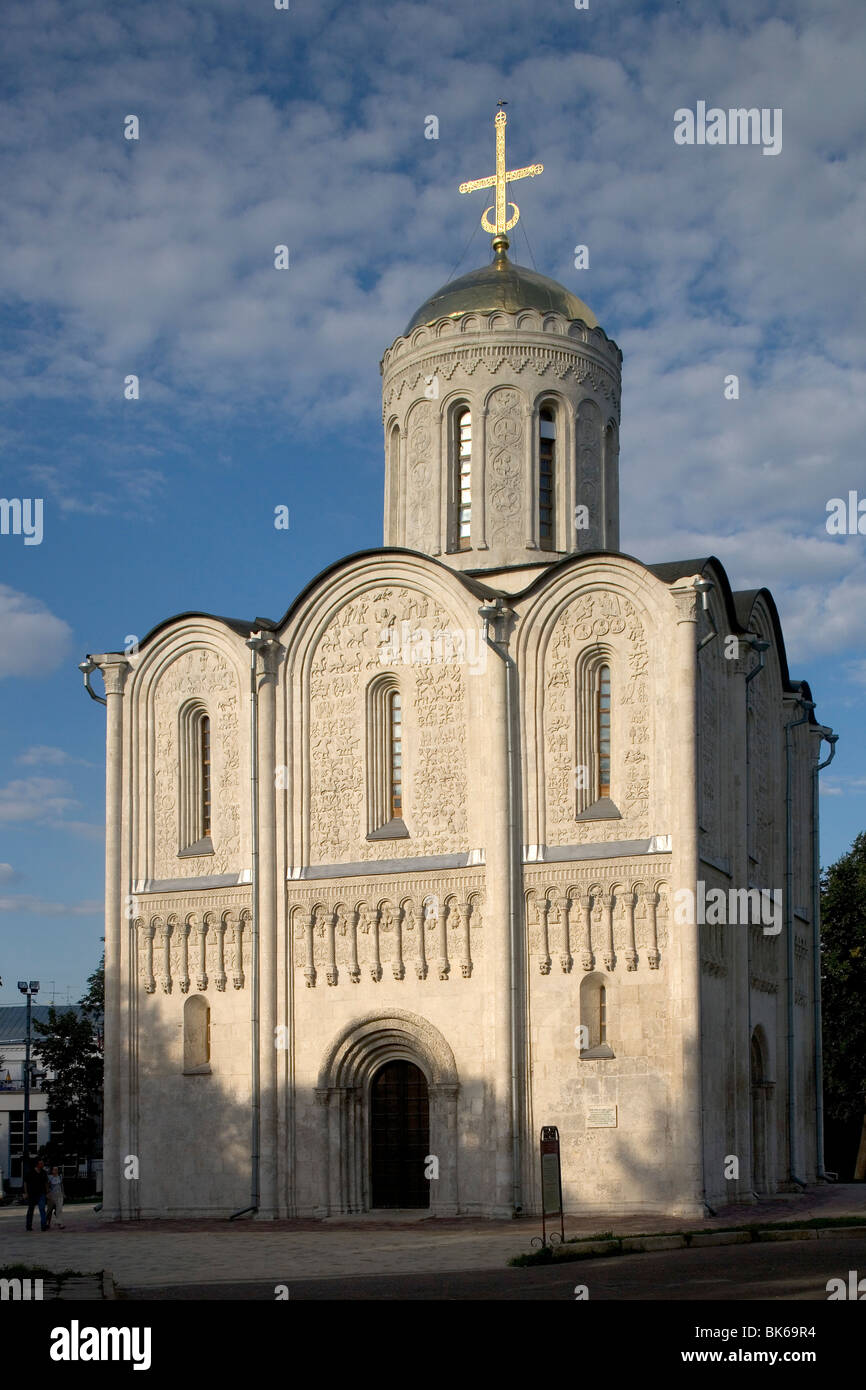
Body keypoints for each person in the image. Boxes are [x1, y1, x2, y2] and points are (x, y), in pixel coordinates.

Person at [24, 1156, 48, 1231]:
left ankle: (43, 1226)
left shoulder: (44, 1172)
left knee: (42, 1209)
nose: (43, 1165)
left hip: (41, 1194)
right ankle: (28, 1226)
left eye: (43, 1163)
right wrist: (26, 1193)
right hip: (32, 1195)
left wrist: (47, 1192)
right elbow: (25, 1182)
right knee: (30, 1210)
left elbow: (46, 1183)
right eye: (41, 1163)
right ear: (37, 1164)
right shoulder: (30, 1172)